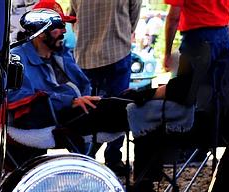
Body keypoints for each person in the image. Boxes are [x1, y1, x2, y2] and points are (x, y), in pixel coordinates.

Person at [9, 0, 128, 151]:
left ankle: (151, 98)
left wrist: (82, 100)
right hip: (53, 117)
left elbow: (83, 85)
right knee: (125, 110)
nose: (64, 31)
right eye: (57, 27)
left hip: (77, 112)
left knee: (129, 106)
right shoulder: (17, 58)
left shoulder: (61, 54)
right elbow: (17, 99)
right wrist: (69, 101)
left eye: (63, 26)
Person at [69, 0, 140, 174]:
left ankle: (86, 155)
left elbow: (72, 17)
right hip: (117, 49)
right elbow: (134, 11)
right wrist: (125, 31)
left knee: (88, 106)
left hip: (85, 53)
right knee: (120, 105)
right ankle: (113, 157)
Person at [163, 0, 229, 73]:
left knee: (188, 88)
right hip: (223, 38)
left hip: (196, 41)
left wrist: (167, 53)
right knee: (219, 87)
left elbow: (173, 18)